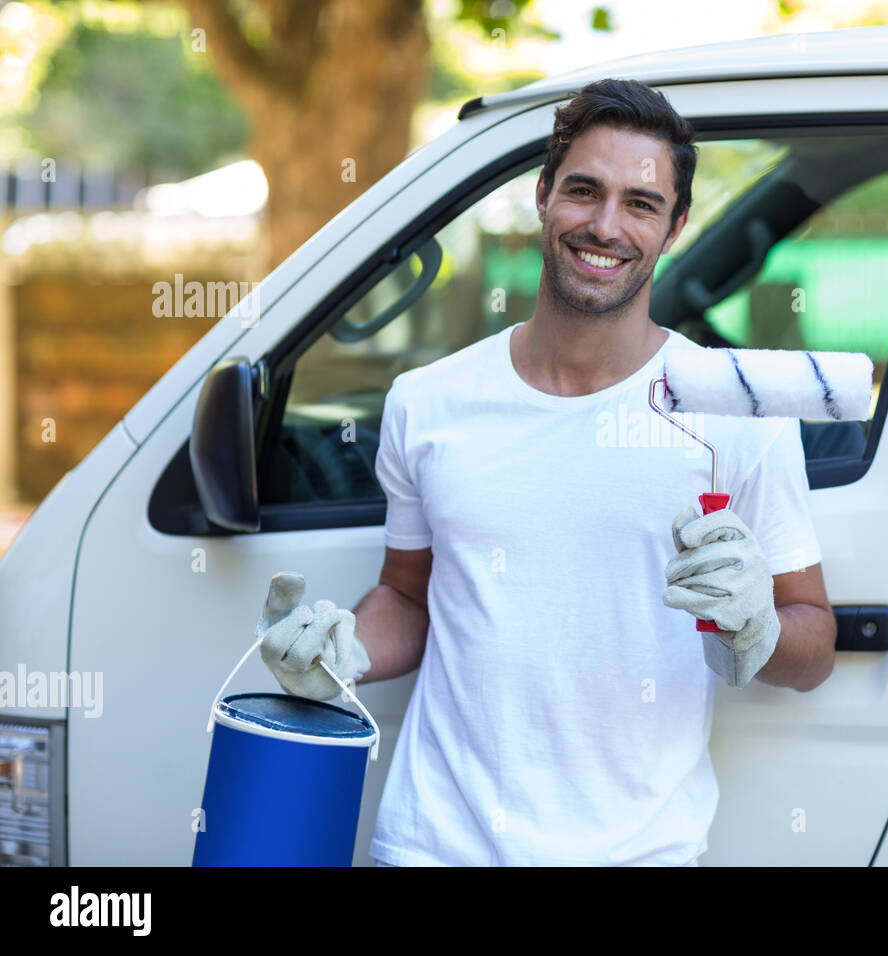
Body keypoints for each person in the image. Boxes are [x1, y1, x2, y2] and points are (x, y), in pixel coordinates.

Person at [254, 78, 837, 866]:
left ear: (675, 227)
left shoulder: (738, 414)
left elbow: (816, 645)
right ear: (541, 195)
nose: (604, 225)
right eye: (584, 190)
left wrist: (758, 629)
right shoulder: (428, 403)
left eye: (640, 203)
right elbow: (408, 596)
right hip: (436, 846)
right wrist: (338, 652)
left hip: (638, 854)